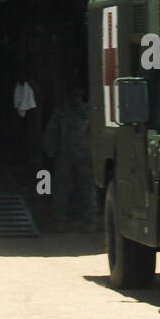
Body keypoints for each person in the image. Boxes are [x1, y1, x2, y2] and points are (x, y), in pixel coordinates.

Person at [42, 81, 95, 232]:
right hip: (64, 155)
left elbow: (96, 133)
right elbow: (51, 131)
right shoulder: (62, 111)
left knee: (87, 188)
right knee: (61, 188)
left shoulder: (89, 111)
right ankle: (60, 220)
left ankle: (89, 220)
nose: (76, 98)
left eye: (79, 95)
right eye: (73, 95)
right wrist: (50, 152)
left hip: (85, 155)